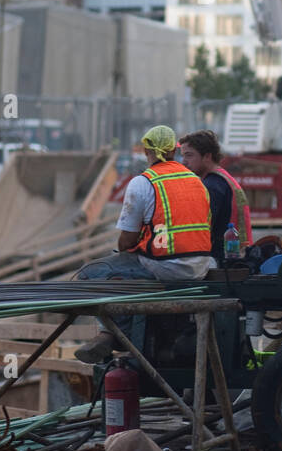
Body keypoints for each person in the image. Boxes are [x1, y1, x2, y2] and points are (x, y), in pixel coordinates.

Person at [73, 124, 213, 362]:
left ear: (148, 150)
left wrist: (126, 253)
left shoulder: (143, 182)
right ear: (173, 151)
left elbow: (127, 240)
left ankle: (118, 334)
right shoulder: (196, 181)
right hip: (201, 266)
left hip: (165, 267)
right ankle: (114, 334)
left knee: (90, 274)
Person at [178, 129, 253, 261]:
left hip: (219, 259)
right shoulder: (223, 177)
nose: (183, 161)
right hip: (236, 256)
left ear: (207, 156)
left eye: (189, 155)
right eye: (183, 155)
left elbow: (201, 227)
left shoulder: (211, 185)